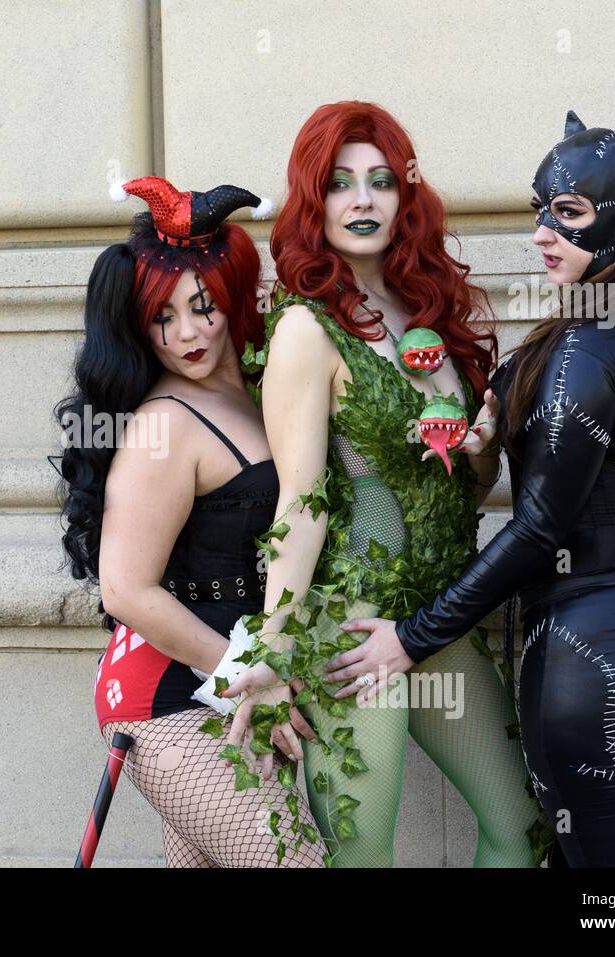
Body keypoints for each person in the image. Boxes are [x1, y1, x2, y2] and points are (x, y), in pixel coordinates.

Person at [329, 112, 615, 867]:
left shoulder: (584, 350)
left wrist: (412, 636)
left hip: (602, 656)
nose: (541, 234)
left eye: (569, 213)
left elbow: (538, 532)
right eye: (540, 211)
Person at [224, 102, 546, 866]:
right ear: (314, 202)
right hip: (351, 628)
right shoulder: (306, 329)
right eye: (339, 184)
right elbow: (301, 503)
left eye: (379, 182)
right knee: (362, 858)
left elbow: (476, 483)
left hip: (438, 616)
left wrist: (475, 442)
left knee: (523, 825)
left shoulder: (436, 312)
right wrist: (270, 650)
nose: (363, 200)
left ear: (406, 197)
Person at [55, 176, 324, 866]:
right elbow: (125, 590)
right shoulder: (164, 424)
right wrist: (248, 674)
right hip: (165, 694)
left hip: (224, 687)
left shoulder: (255, 389)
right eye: (162, 318)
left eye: (202, 307)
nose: (188, 334)